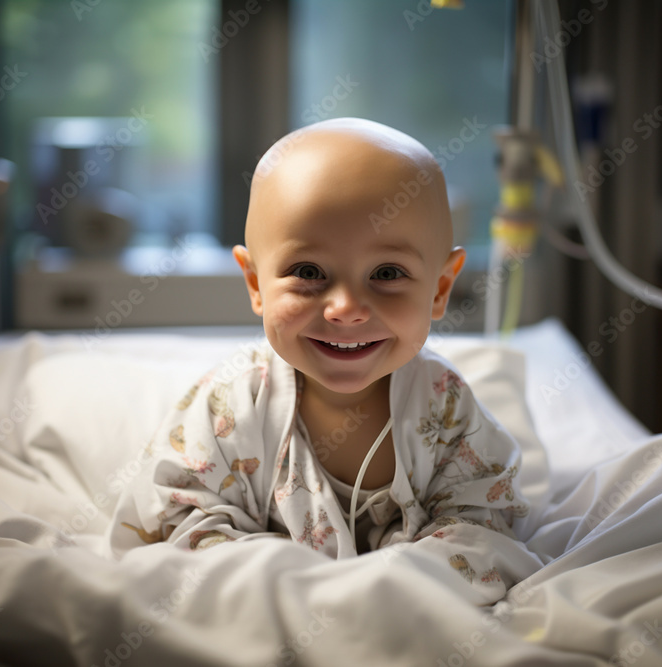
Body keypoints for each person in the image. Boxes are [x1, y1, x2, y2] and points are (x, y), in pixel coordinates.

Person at [107, 118, 547, 603]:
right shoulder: (232, 404)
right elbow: (176, 519)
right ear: (256, 284)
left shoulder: (442, 407)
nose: (346, 309)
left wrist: (390, 584)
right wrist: (293, 584)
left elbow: (484, 525)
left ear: (440, 288)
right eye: (309, 272)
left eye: (386, 272)